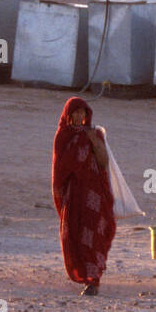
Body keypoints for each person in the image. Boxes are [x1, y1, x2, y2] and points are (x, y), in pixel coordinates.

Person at [51, 96, 115, 296]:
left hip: (95, 194)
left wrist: (93, 140)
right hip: (74, 195)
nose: (79, 116)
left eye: (82, 113)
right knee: (76, 235)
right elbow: (59, 169)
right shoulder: (63, 136)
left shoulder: (94, 134)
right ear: (68, 115)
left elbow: (104, 162)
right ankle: (84, 274)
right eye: (75, 113)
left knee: (94, 235)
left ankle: (93, 280)